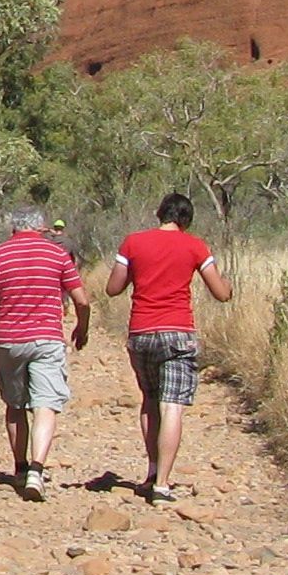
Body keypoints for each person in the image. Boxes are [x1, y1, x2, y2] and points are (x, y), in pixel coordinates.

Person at [106, 190, 233, 503]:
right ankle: (163, 483)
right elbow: (220, 292)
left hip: (141, 332)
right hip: (177, 331)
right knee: (172, 404)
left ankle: (151, 471)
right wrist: (228, 286)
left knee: (150, 400)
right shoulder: (195, 246)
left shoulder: (133, 242)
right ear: (186, 220)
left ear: (159, 213)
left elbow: (113, 289)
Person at [0, 204, 91, 501]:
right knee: (45, 404)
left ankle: (19, 468)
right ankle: (36, 469)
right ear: (41, 227)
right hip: (46, 339)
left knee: (15, 404)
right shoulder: (57, 255)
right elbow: (81, 299)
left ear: (13, 229)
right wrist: (82, 328)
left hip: (7, 341)